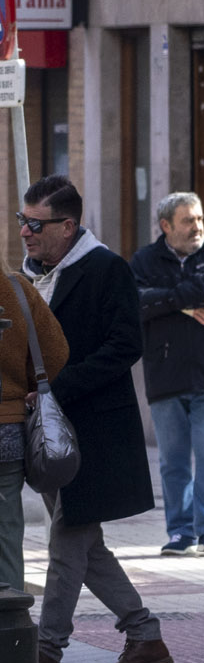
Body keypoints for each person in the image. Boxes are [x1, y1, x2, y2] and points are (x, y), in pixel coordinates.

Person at [21, 176, 171, 663]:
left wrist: (57, 389)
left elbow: (125, 346)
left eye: (35, 224)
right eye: (22, 222)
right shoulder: (30, 276)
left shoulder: (106, 269)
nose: (25, 232)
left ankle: (46, 652)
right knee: (87, 544)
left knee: (68, 538)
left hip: (95, 434)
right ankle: (145, 636)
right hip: (45, 434)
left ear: (68, 226)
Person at [130, 191, 204, 557]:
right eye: (187, 221)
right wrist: (185, 305)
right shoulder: (145, 259)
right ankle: (180, 532)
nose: (197, 226)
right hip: (165, 372)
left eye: (199, 219)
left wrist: (167, 299)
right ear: (166, 226)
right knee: (172, 458)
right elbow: (134, 301)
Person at [0, 226, 69, 624]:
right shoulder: (17, 289)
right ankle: (10, 631)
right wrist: (27, 387)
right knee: (8, 535)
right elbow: (57, 350)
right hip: (8, 430)